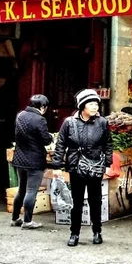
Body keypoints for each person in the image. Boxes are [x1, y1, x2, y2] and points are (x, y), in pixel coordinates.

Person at [51, 89, 113, 247]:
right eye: (91, 104)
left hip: (95, 166)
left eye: (96, 104)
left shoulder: (102, 123)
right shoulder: (69, 123)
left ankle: (97, 231)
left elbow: (108, 144)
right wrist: (57, 165)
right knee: (77, 202)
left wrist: (107, 163)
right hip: (76, 165)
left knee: (95, 200)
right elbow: (60, 144)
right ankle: (74, 233)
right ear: (82, 106)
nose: (95, 107)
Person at [10, 94, 54, 230]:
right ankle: (27, 221)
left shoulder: (20, 115)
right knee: (31, 190)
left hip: (20, 158)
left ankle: (15, 218)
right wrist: (51, 136)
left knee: (21, 189)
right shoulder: (39, 119)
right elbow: (45, 140)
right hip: (34, 160)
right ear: (42, 107)